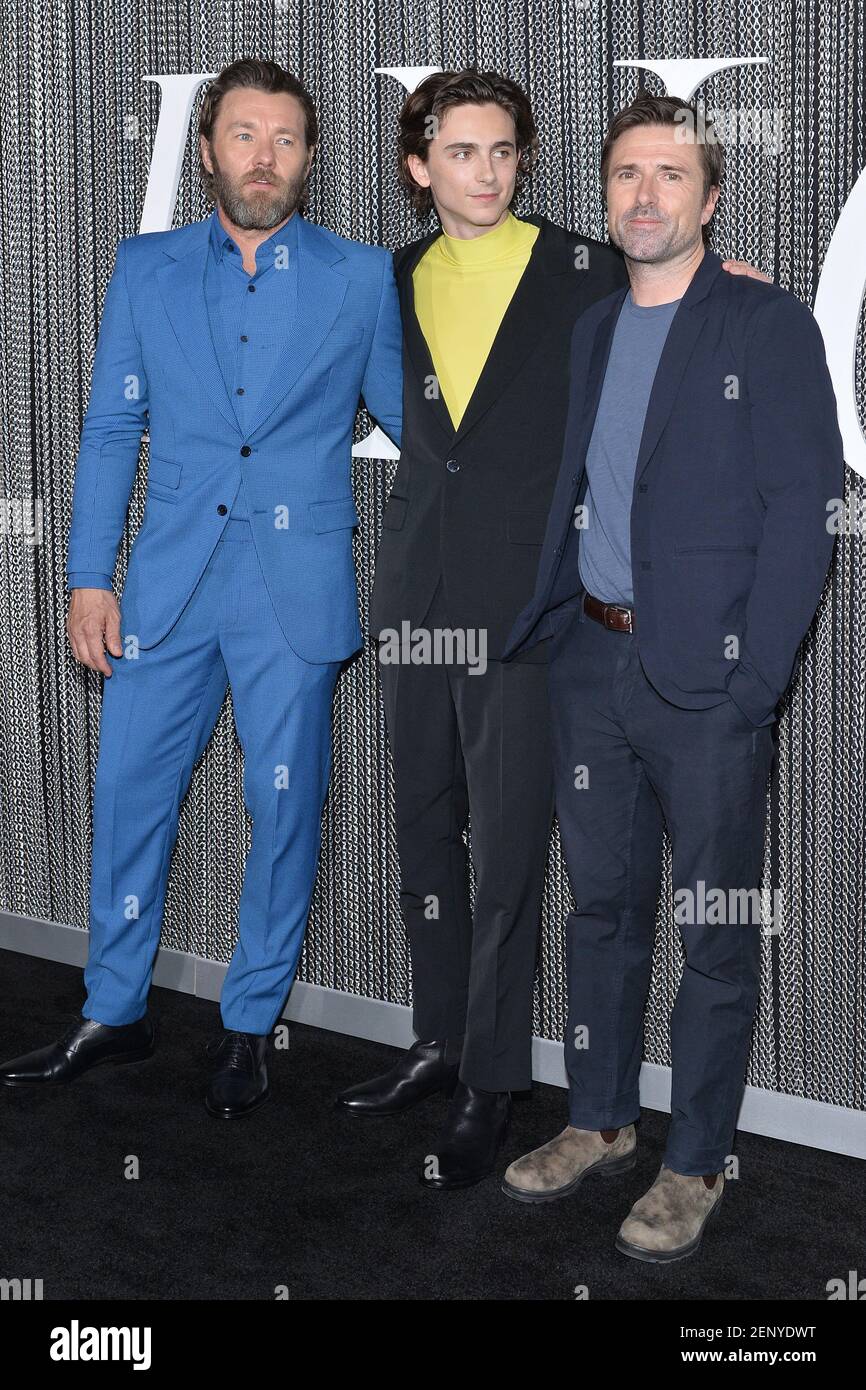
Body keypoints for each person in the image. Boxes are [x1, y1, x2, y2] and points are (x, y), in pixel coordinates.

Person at [336, 70, 765, 1190]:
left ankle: (494, 1078)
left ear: (521, 161)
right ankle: (436, 1039)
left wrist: (738, 286)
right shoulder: (389, 277)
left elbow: (687, 300)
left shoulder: (583, 266)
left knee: (513, 857)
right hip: (415, 602)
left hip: (527, 613)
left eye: (501, 151)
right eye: (460, 152)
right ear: (418, 169)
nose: (484, 171)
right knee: (425, 834)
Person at [0, 58, 402, 1118]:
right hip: (164, 587)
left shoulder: (361, 279)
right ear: (208, 147)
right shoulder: (145, 267)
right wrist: (89, 577)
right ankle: (113, 1010)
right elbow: (110, 428)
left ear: (308, 159)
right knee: (130, 799)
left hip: (293, 591)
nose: (260, 157)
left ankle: (245, 1022)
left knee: (284, 815)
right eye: (241, 134)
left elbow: (429, 428)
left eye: (281, 139)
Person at [499, 93, 844, 1258]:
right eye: (623, 176)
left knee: (710, 929)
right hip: (589, 660)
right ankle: (598, 1121)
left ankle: (695, 1157)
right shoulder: (595, 326)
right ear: (603, 194)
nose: (642, 196)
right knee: (599, 912)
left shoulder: (763, 322)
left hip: (711, 685)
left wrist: (755, 684)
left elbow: (806, 511)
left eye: (667, 176)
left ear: (707, 196)